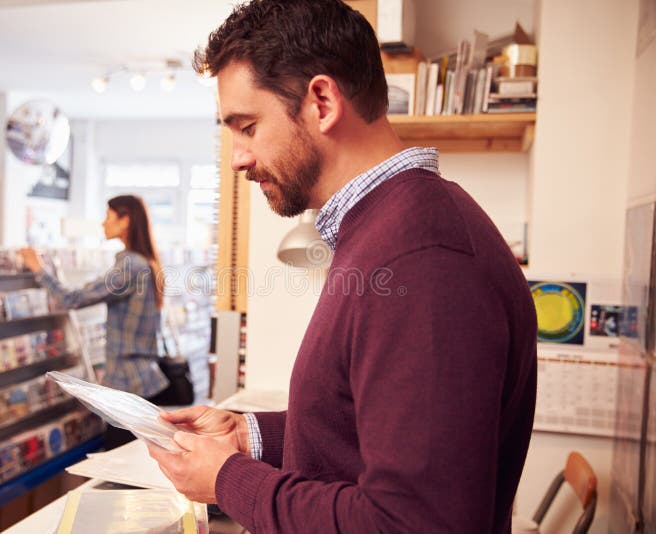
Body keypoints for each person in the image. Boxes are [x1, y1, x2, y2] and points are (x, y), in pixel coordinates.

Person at [147, 0, 538, 532]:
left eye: (247, 126)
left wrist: (229, 479)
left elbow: (414, 522)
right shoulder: (393, 227)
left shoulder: (423, 257)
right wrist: (246, 436)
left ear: (323, 102)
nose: (237, 157)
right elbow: (370, 432)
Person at [20, 194, 174, 449]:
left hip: (127, 385)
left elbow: (73, 298)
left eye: (108, 217)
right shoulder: (145, 262)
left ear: (125, 221)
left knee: (120, 462)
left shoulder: (130, 266)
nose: (103, 224)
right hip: (140, 380)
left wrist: (38, 269)